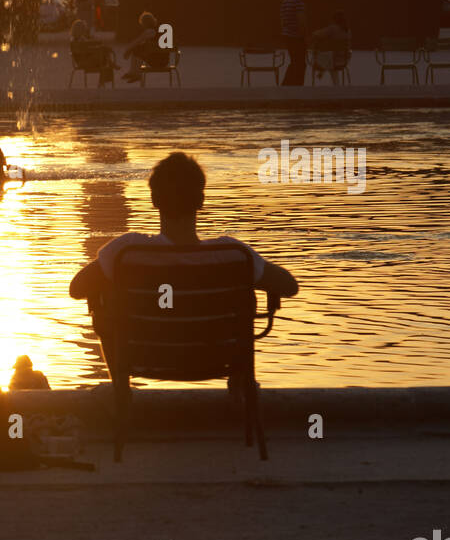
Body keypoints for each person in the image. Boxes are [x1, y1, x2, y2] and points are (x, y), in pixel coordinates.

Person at [69, 152, 298, 377]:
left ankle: (121, 396)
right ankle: (240, 389)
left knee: (104, 303)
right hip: (218, 357)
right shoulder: (232, 254)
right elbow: (288, 286)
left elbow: (77, 289)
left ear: (154, 200)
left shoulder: (127, 252)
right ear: (201, 200)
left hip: (143, 356)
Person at [121, 10, 166, 83]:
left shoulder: (150, 32)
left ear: (144, 23)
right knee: (138, 49)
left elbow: (137, 41)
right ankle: (133, 72)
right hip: (162, 59)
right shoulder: (156, 31)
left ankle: (135, 73)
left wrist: (127, 50)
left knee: (137, 49)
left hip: (158, 61)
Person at [70, 19, 117, 86]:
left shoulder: (74, 40)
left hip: (83, 60)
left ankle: (109, 63)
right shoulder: (79, 41)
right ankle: (103, 80)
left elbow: (88, 48)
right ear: (79, 30)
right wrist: (99, 47)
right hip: (84, 62)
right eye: (83, 29)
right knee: (103, 56)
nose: (85, 30)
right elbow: (87, 50)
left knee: (103, 56)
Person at [311, 10, 351, 85]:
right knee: (331, 59)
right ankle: (335, 84)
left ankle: (322, 72)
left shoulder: (333, 28)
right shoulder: (348, 31)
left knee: (326, 57)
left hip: (334, 59)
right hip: (344, 60)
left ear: (334, 20)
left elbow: (316, 34)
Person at [280, 0, 307, 86]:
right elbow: (301, 20)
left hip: (287, 36)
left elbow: (282, 21)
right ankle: (298, 86)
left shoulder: (284, 2)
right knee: (301, 63)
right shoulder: (298, 2)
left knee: (295, 62)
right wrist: (305, 36)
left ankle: (286, 85)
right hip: (297, 37)